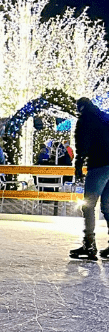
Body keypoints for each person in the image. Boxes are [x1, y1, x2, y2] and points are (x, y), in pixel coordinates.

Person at [70, 97, 109, 260]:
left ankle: (89, 245)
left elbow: (82, 143)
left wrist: (79, 163)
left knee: (88, 205)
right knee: (107, 207)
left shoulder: (85, 119)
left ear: (81, 108)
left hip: (98, 166)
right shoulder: (105, 117)